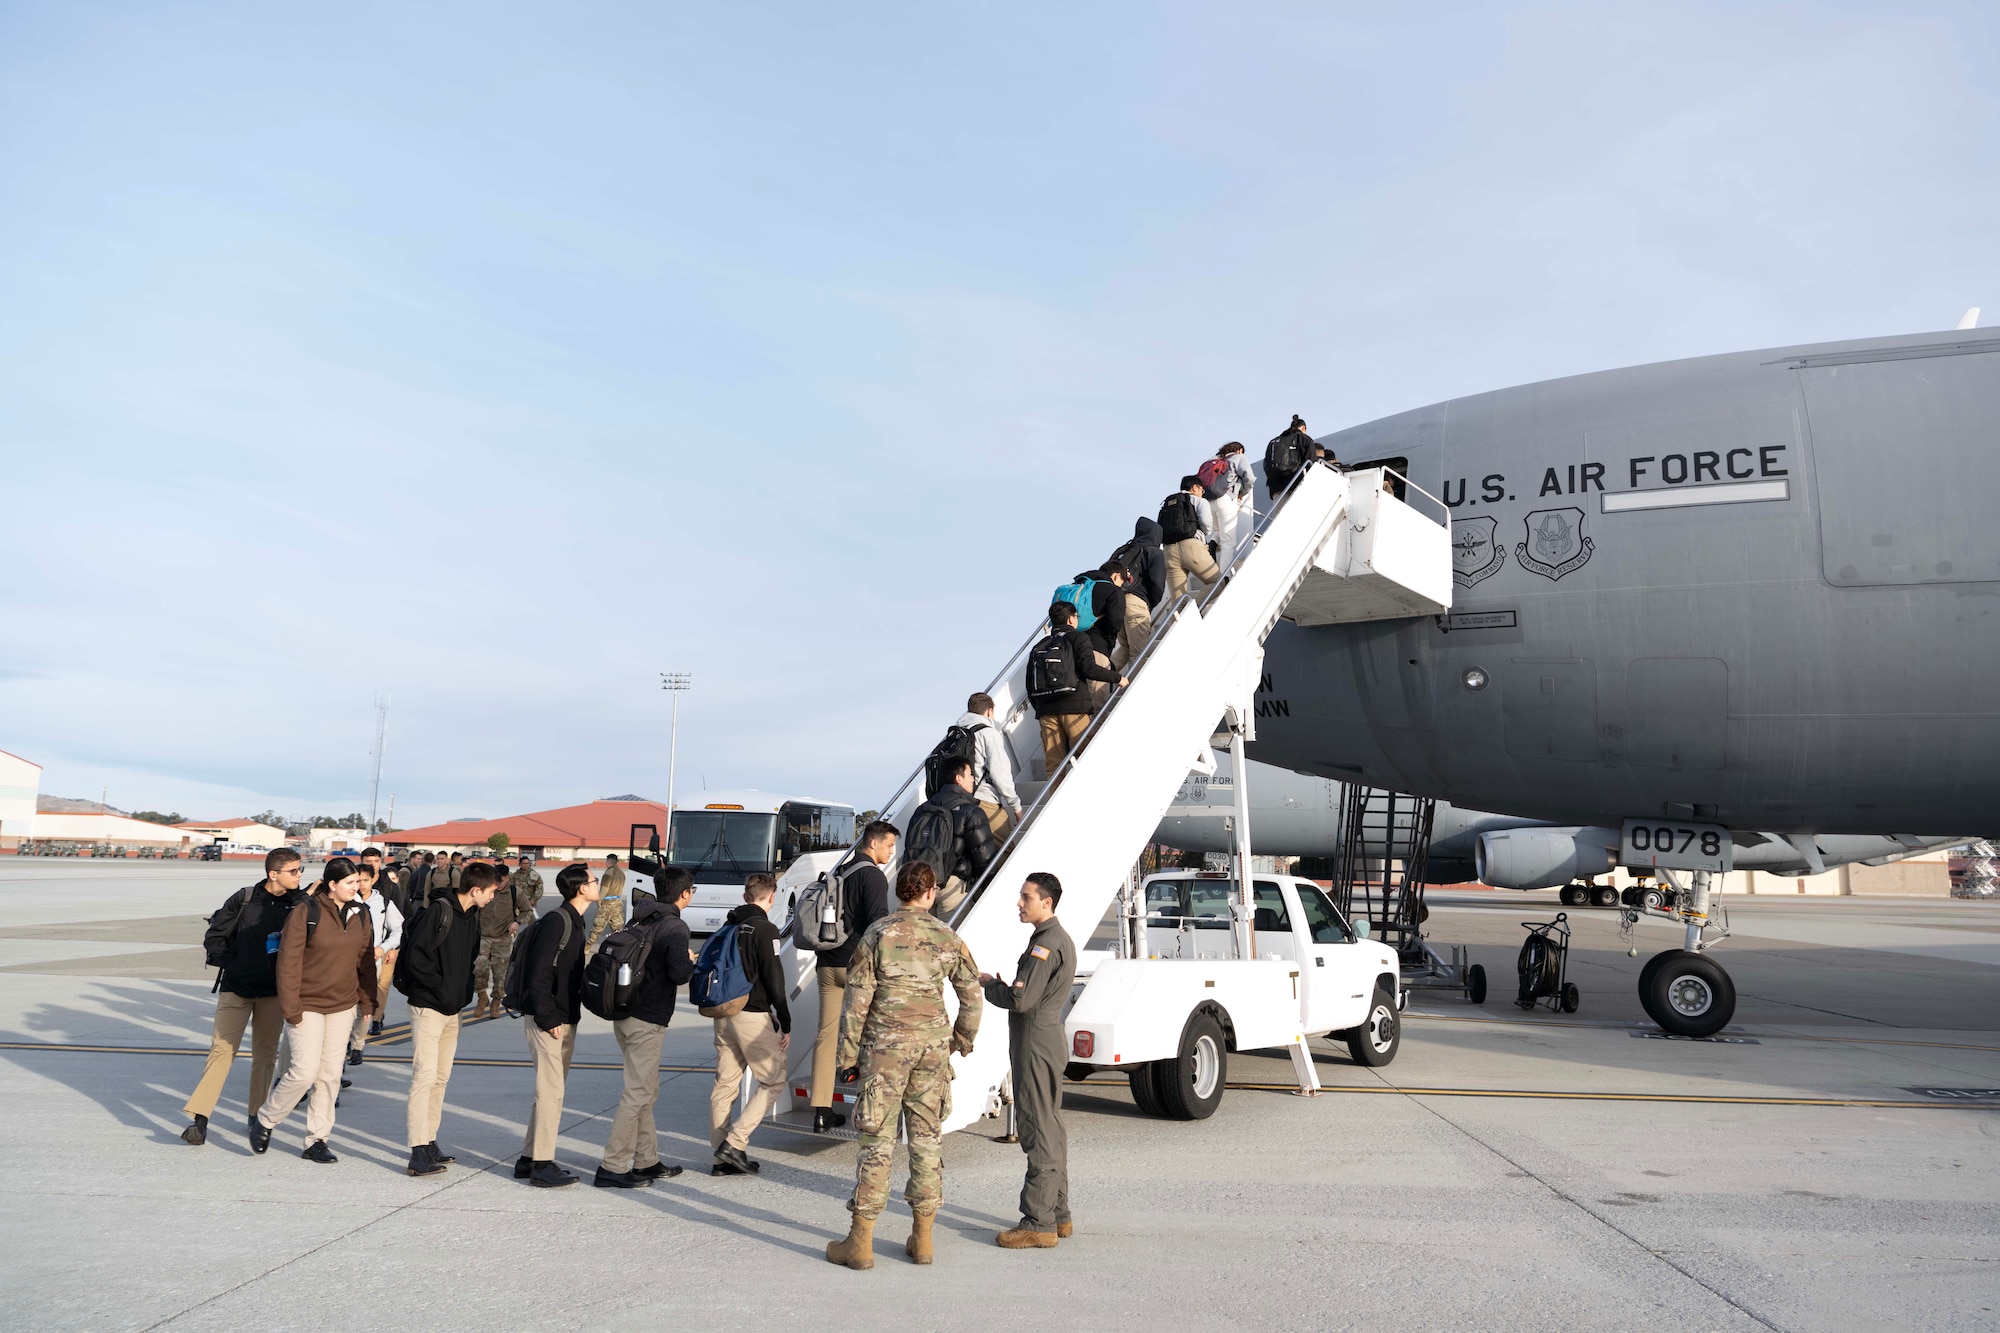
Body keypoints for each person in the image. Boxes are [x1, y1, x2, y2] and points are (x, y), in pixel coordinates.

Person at [824, 862, 983, 1271]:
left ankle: (860, 1243)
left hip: (884, 1053)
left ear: (899, 892)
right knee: (926, 1141)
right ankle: (923, 1239)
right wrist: (959, 1041)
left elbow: (856, 1001)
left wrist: (847, 1058)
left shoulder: (877, 934)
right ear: (930, 893)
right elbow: (972, 995)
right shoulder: (947, 936)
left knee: (876, 1144)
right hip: (931, 1052)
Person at [250, 858, 378, 1164]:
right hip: (306, 1004)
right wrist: (291, 1008)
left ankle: (317, 1140)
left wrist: (367, 1001)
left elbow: (364, 962)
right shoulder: (305, 912)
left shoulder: (361, 914)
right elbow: (288, 963)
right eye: (350, 883)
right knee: (304, 1072)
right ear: (332, 885)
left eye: (358, 882)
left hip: (342, 1005)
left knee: (330, 1075)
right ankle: (266, 1119)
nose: (357, 887)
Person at [179, 848, 307, 1146]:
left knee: (265, 1057)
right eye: (293, 871)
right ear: (273, 874)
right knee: (221, 1052)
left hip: (273, 993)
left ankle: (256, 1119)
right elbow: (214, 938)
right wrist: (237, 964)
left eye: (300, 870)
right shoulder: (245, 898)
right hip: (236, 988)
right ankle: (200, 1119)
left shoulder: (301, 904)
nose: (299, 875)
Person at [978, 873, 1079, 1248]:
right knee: (1050, 1126)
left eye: (1026, 897)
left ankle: (1038, 1222)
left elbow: (1021, 1000)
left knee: (1037, 1128)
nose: (1019, 904)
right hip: (1045, 1040)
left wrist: (991, 985)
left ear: (1046, 902)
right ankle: (1058, 1214)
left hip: (1035, 1043)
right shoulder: (1053, 939)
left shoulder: (1046, 944)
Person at [596, 867, 697, 1188]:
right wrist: (690, 961)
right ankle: (613, 1165)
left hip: (624, 1013)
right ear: (685, 894)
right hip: (647, 1019)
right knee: (638, 1093)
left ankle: (646, 1160)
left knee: (646, 1091)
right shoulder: (674, 926)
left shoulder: (640, 918)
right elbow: (680, 974)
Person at [401, 861, 499, 1176]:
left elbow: (468, 960)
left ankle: (430, 1140)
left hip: (452, 1009)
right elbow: (417, 958)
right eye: (491, 892)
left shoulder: (472, 917)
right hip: (429, 1006)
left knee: (441, 1077)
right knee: (424, 1076)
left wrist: (462, 994)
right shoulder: (439, 912)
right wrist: (442, 989)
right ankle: (417, 1151)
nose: (492, 897)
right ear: (476, 889)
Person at [514, 862, 601, 1188]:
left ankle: (528, 1159)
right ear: (581, 888)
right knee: (552, 1093)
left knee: (548, 1091)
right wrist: (549, 1018)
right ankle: (542, 1165)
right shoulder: (557, 921)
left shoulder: (576, 920)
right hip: (549, 1020)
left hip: (563, 1017)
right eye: (594, 880)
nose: (597, 884)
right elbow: (538, 975)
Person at [809, 821, 896, 1134]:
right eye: (889, 845)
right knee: (870, 1034)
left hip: (827, 964)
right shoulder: (872, 876)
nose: (891, 852)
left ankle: (822, 1111)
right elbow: (878, 924)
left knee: (826, 1035)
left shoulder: (842, 871)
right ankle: (868, 1107)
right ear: (873, 843)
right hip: (856, 967)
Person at [709, 873, 791, 1176]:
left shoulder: (729, 925)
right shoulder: (766, 930)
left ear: (746, 896)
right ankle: (734, 1143)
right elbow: (774, 978)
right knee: (773, 1079)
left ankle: (720, 1160)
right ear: (772, 897)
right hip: (752, 1015)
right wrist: (785, 1020)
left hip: (723, 1014)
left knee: (725, 1085)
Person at [1027, 602, 1125, 778]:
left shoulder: (1040, 645)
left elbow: (1029, 685)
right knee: (1086, 755)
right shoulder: (1078, 638)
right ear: (1071, 619)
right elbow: (1089, 669)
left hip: (1046, 712)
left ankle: (1055, 795)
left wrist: (1042, 709)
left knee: (1054, 766)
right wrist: (1118, 678)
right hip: (1074, 707)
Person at [906, 758, 998, 918]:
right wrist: (989, 888)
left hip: (921, 886)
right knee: (953, 933)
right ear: (958, 778)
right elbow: (983, 857)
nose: (973, 779)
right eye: (970, 774)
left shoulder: (922, 809)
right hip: (952, 887)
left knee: (925, 934)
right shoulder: (971, 811)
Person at [348, 862, 404, 1058]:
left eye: (366, 880)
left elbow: (399, 929)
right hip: (346, 963)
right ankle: (344, 1042)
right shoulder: (346, 901)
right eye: (357, 880)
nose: (361, 885)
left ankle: (357, 1045)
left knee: (364, 1006)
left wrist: (384, 948)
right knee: (346, 1006)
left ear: (374, 880)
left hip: (372, 963)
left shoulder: (384, 903)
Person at [957, 693, 1022, 841]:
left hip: (958, 803)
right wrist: (1016, 807)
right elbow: (1000, 774)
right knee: (1006, 851)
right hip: (984, 802)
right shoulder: (988, 733)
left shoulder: (957, 733)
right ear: (989, 711)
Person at [1160, 475, 1221, 602]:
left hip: (1169, 552)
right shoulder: (1199, 501)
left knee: (1178, 601)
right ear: (1194, 488)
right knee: (1217, 582)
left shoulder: (1167, 504)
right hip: (1192, 547)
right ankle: (1195, 608)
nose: (1202, 493)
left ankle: (1183, 613)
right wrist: (1205, 532)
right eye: (1202, 490)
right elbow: (1206, 524)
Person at [1207, 442, 1256, 575]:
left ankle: (1212, 543)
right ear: (1239, 450)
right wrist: (1242, 493)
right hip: (1226, 498)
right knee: (1228, 542)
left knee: (1219, 530)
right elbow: (1250, 478)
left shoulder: (1214, 460)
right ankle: (1225, 575)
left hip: (1209, 500)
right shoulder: (1238, 458)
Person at [1263, 414, 1325, 500]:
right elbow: (1311, 463)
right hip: (1296, 485)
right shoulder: (1305, 439)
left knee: (1281, 509)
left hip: (1276, 488)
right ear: (1303, 428)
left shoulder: (1274, 442)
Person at [588, 852, 627, 956]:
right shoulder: (621, 873)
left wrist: (599, 900)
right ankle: (622, 950)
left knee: (597, 929)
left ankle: (586, 949)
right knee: (618, 929)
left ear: (608, 861)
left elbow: (605, 888)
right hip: (617, 903)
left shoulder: (608, 873)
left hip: (607, 904)